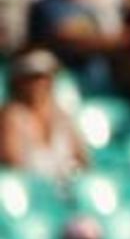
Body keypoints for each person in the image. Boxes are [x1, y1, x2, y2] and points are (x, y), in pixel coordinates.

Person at [0, 48, 88, 182]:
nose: (40, 83)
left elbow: (84, 162)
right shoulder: (10, 118)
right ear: (18, 81)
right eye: (32, 78)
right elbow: (15, 168)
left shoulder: (63, 116)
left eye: (44, 76)